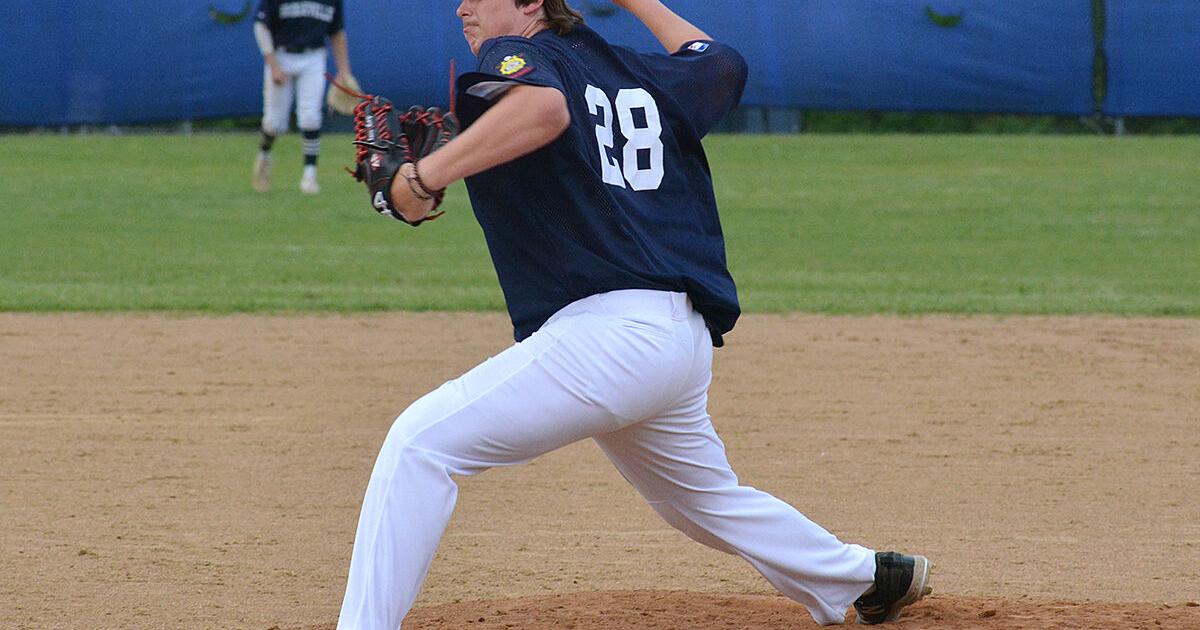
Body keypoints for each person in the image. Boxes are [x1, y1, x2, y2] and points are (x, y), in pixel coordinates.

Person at [336, 1, 932, 628]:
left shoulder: (519, 58)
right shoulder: (637, 73)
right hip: (675, 340)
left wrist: (422, 180)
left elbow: (542, 108)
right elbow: (722, 65)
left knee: (418, 445)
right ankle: (868, 576)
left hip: (608, 336)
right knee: (700, 502)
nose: (462, 5)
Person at [251, 0, 352, 194]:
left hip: (313, 57)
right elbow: (260, 26)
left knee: (310, 116)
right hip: (281, 55)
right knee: (274, 123)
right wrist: (273, 65)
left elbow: (337, 31)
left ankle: (309, 177)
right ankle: (264, 155)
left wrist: (344, 70)